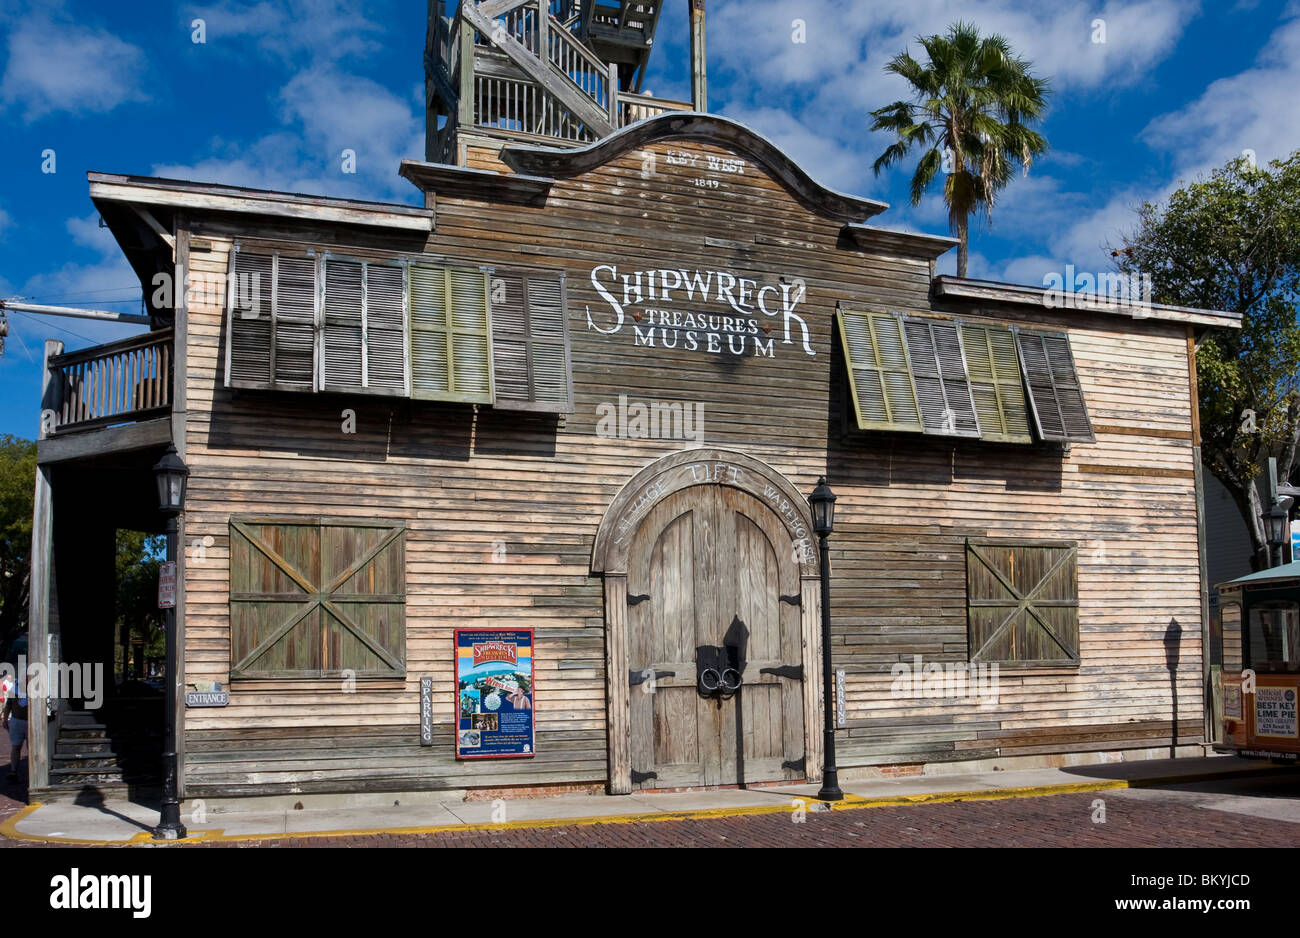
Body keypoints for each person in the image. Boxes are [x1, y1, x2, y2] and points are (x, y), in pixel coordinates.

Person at [2, 687, 27, 783]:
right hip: (17, 720)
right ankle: (13, 771)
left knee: (32, 748)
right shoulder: (15, 689)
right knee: (16, 746)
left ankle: (32, 772)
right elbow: (8, 705)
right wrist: (5, 720)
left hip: (30, 721)